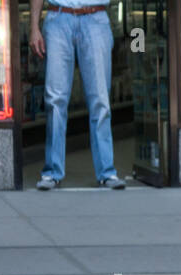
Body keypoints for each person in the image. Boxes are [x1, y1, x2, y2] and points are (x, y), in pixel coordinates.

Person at [30, 0, 125, 190]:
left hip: (95, 17)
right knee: (55, 100)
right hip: (58, 17)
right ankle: (52, 172)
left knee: (100, 99)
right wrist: (34, 26)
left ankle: (107, 171)